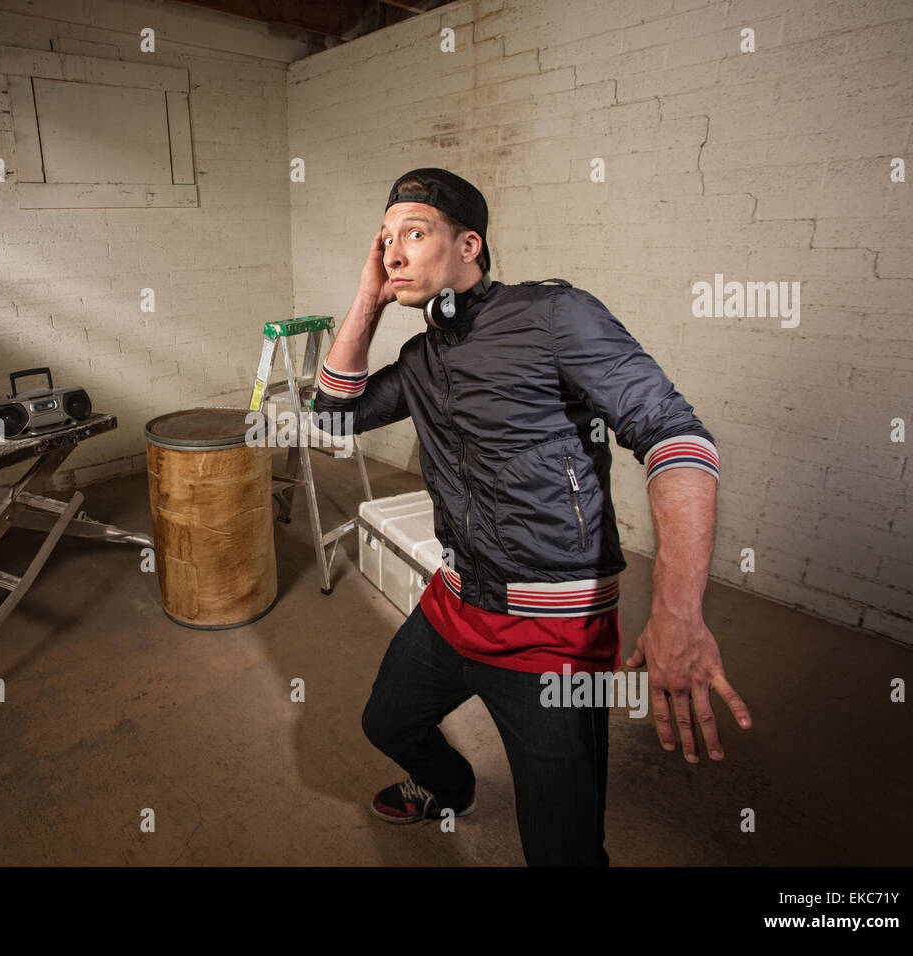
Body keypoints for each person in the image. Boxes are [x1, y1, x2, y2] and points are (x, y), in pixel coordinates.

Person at [312, 168, 752, 866]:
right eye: (385, 239)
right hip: (455, 604)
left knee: (563, 851)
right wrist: (368, 298)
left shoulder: (553, 314)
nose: (394, 251)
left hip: (554, 636)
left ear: (469, 246)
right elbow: (333, 418)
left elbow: (675, 436)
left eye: (415, 233)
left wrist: (677, 609)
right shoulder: (423, 358)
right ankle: (449, 788)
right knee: (385, 721)